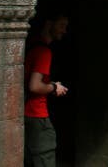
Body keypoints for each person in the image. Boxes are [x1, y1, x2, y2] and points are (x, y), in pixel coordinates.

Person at [25, 11, 69, 167]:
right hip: (37, 114)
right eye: (61, 25)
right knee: (45, 157)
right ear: (49, 24)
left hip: (25, 114)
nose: (64, 31)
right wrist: (54, 87)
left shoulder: (31, 44)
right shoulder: (44, 51)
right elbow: (35, 86)